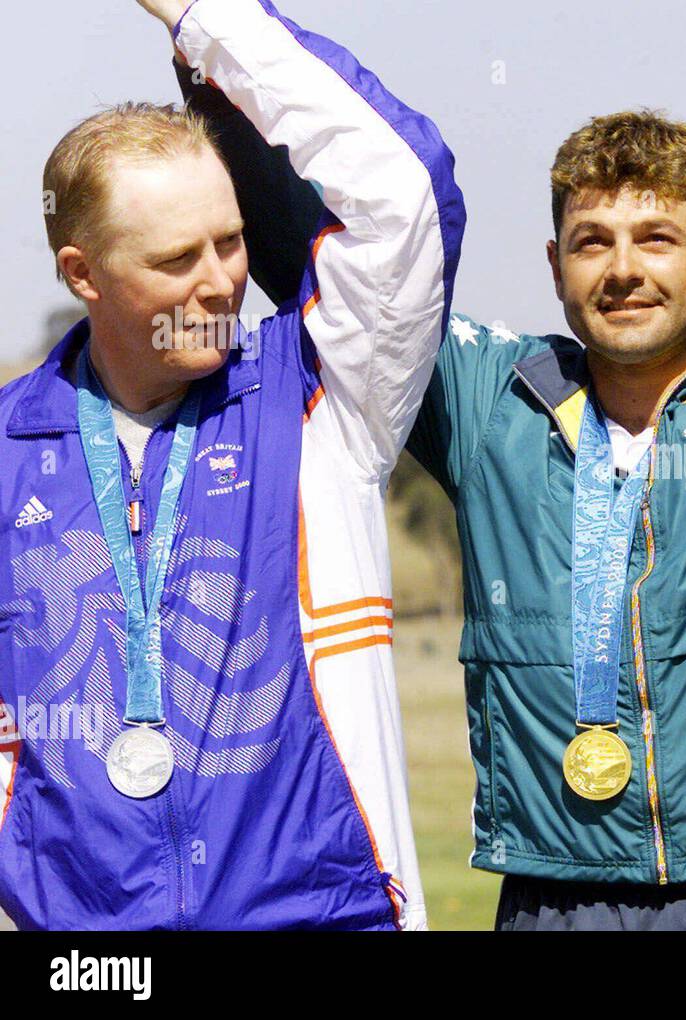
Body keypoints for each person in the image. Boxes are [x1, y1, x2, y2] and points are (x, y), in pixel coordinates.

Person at [182, 2, 686, 930]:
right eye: (593, 242)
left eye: (657, 238)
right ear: (555, 264)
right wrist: (215, 65)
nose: (623, 269)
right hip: (553, 896)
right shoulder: (484, 402)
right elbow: (324, 265)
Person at [0, 0, 464, 929]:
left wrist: (202, 16)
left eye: (231, 240)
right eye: (176, 259)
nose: (219, 281)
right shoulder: (9, 448)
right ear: (82, 273)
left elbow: (403, 192)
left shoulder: (322, 396)